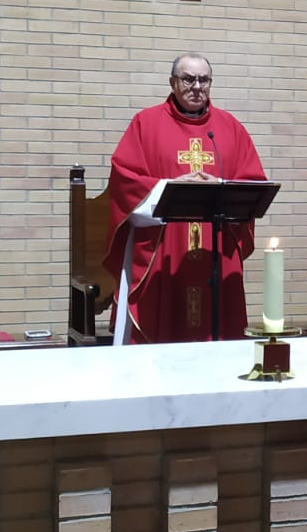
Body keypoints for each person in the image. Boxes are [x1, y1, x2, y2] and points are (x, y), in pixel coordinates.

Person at [102, 53, 266, 342]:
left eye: (204, 79)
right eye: (188, 79)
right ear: (173, 82)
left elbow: (252, 182)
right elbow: (124, 178)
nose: (197, 86)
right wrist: (169, 187)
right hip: (163, 247)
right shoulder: (146, 123)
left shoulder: (230, 127)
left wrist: (221, 184)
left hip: (215, 247)